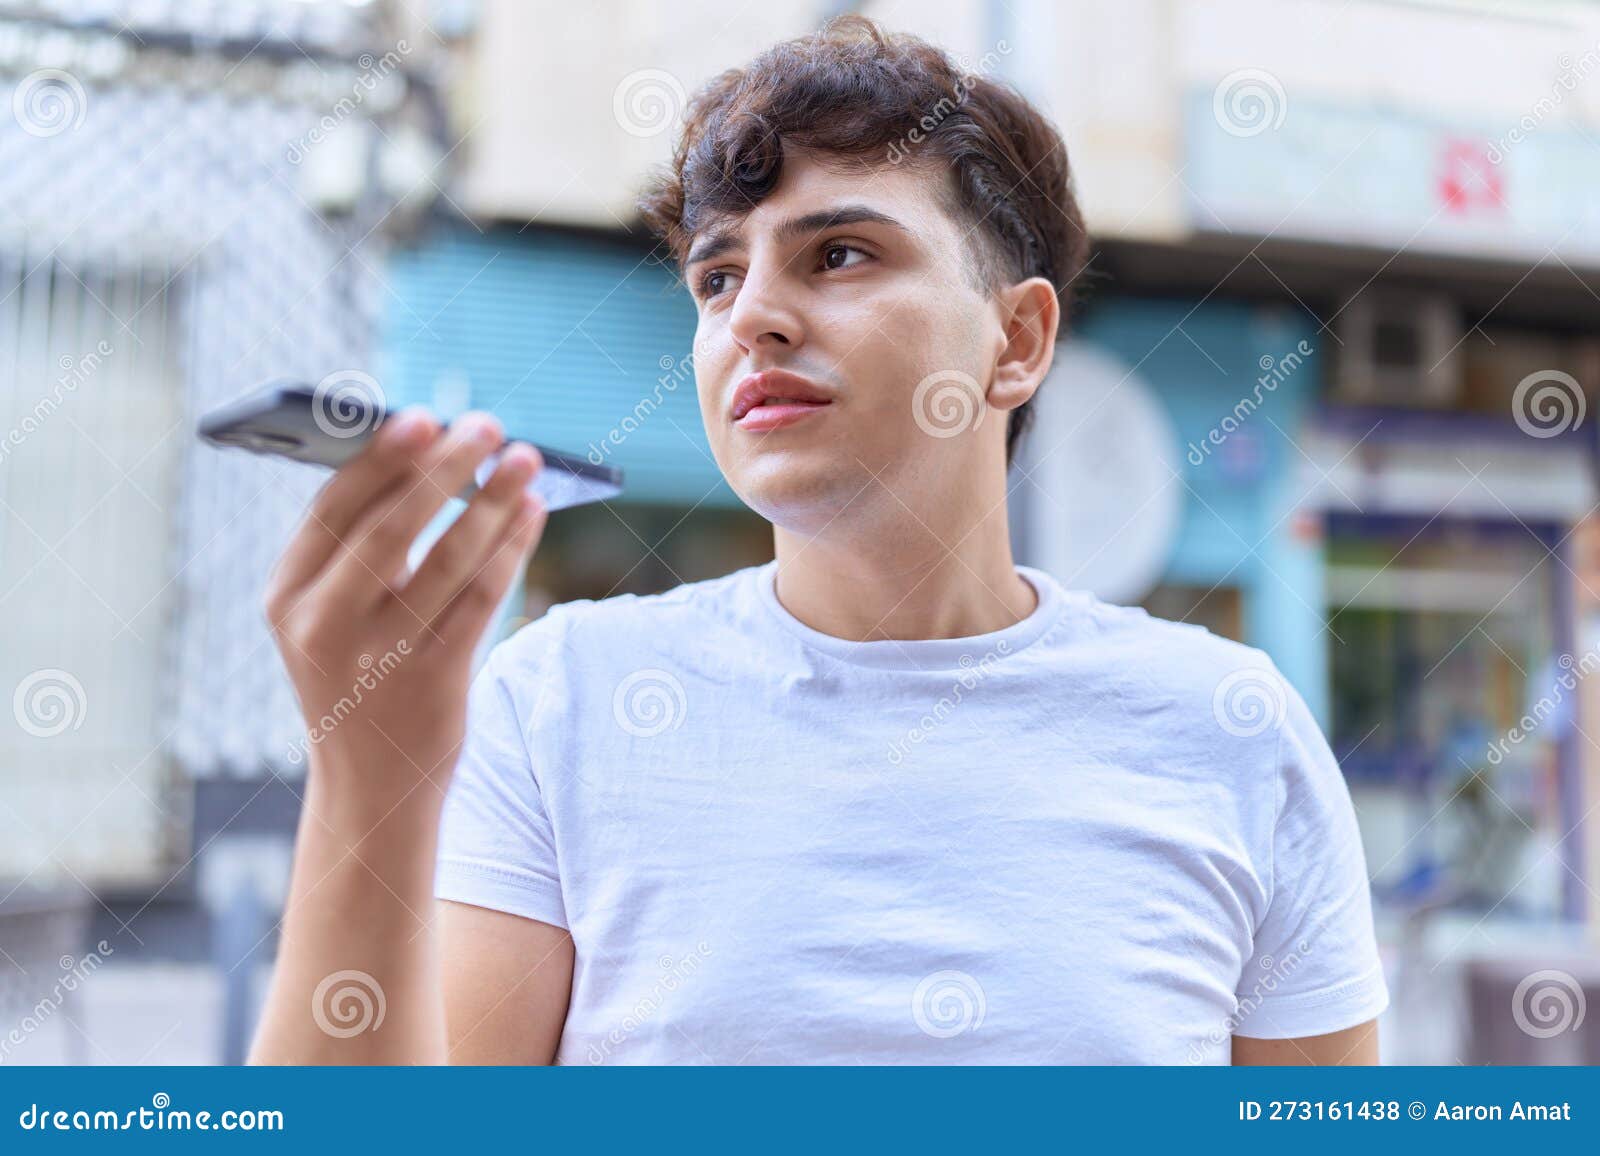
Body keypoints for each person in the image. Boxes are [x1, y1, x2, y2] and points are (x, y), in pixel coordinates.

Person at [249, 16, 1387, 1065]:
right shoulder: (559, 701)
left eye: (839, 254)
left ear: (1017, 338)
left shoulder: (1230, 730)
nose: (750, 317)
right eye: (717, 276)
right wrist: (369, 771)